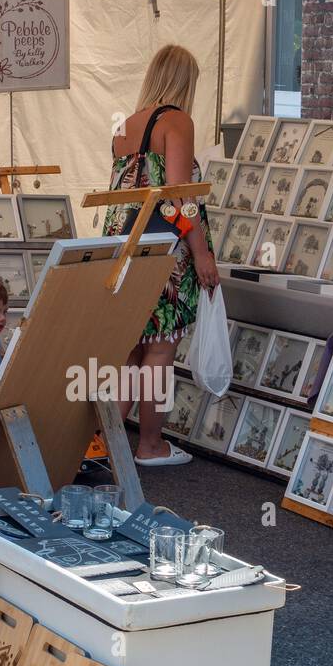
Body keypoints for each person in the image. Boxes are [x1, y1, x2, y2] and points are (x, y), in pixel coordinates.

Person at [105, 44, 219, 466]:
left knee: (131, 345)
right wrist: (202, 252)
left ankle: (109, 445)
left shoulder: (124, 126)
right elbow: (176, 198)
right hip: (162, 249)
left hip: (121, 244)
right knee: (161, 346)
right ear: (184, 81)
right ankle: (150, 446)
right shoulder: (177, 121)